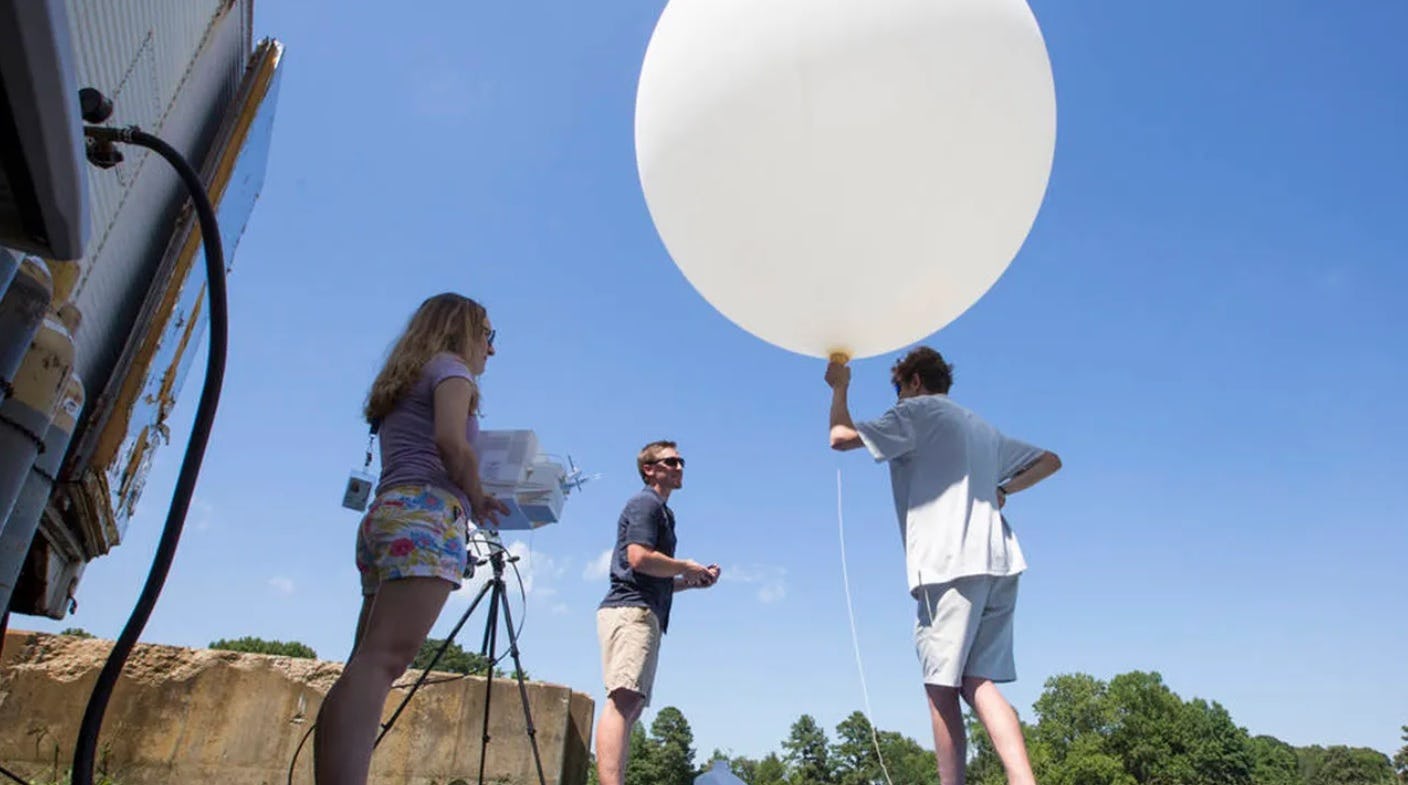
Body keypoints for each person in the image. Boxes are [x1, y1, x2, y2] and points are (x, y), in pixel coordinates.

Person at [825, 346, 1061, 785]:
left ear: (914, 382)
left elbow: (839, 436)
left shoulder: (915, 413)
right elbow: (1049, 461)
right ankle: (1023, 780)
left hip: (948, 565)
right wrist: (1004, 490)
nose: (896, 400)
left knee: (939, 685)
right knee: (977, 681)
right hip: (1001, 561)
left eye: (898, 390)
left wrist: (840, 388)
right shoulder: (981, 427)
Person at [315, 293, 508, 785]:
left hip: (388, 514)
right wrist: (479, 496)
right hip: (426, 518)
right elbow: (450, 441)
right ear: (462, 329)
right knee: (383, 663)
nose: (490, 348)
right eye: (487, 334)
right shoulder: (452, 370)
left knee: (364, 664)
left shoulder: (407, 379)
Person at [594, 440, 721, 785]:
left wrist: (689, 582)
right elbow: (638, 558)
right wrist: (686, 565)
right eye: (671, 461)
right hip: (630, 610)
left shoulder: (664, 512)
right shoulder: (644, 503)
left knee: (632, 705)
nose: (679, 466)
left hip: (644, 609)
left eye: (681, 461)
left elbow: (652, 574)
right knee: (623, 699)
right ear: (649, 469)